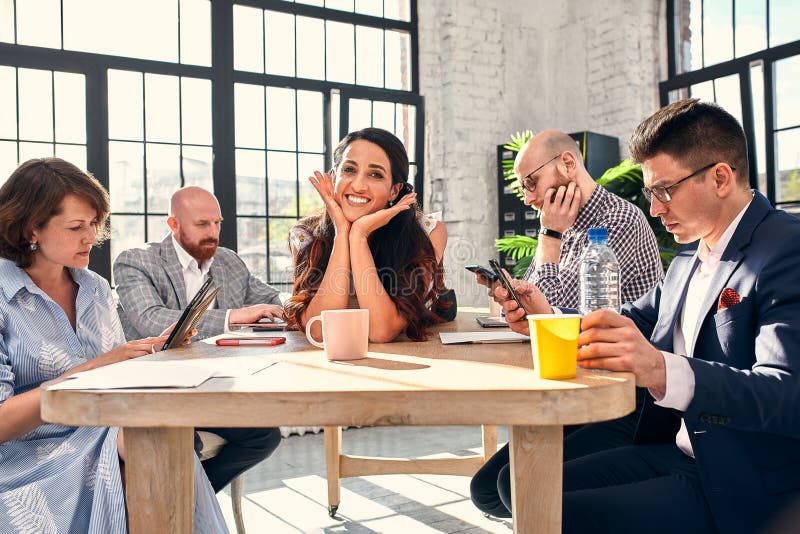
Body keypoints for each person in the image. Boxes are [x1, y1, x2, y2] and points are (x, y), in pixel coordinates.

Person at [497, 98, 800, 533]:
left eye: (664, 191)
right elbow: (629, 321)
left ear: (719, 177)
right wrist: (545, 315)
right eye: (650, 193)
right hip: (678, 448)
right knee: (523, 487)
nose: (655, 209)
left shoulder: (785, 249)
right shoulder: (690, 256)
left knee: (553, 514)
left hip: (740, 477)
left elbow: (786, 393)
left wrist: (661, 369)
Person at [0, 158, 226, 532]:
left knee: (150, 434)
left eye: (94, 224)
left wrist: (149, 353)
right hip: (28, 458)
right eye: (75, 227)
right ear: (30, 228)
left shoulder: (95, 288)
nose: (91, 237)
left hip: (103, 432)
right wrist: (90, 370)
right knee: (145, 440)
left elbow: (114, 376)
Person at [470, 129, 664, 518]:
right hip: (573, 380)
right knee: (486, 491)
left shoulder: (618, 221)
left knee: (514, 485)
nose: (527, 198)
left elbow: (566, 317)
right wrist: (519, 306)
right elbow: (546, 315)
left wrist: (550, 235)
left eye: (530, 182)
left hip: (624, 397)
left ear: (568, 164)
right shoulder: (564, 225)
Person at [113, 186, 282, 493]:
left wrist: (301, 303)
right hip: (158, 392)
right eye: (202, 225)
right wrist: (233, 317)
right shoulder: (136, 261)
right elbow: (151, 318)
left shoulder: (228, 261)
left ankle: (186, 503)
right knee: (178, 439)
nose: (213, 232)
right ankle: (179, 511)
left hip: (216, 388)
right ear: (173, 224)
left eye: (217, 223)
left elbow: (271, 300)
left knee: (266, 435)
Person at [284, 127, 449, 342]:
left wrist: (359, 236)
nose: (359, 185)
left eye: (375, 174)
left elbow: (381, 331)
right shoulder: (305, 234)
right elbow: (320, 332)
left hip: (428, 320)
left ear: (394, 190)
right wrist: (342, 233)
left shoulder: (428, 232)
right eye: (349, 170)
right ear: (334, 177)